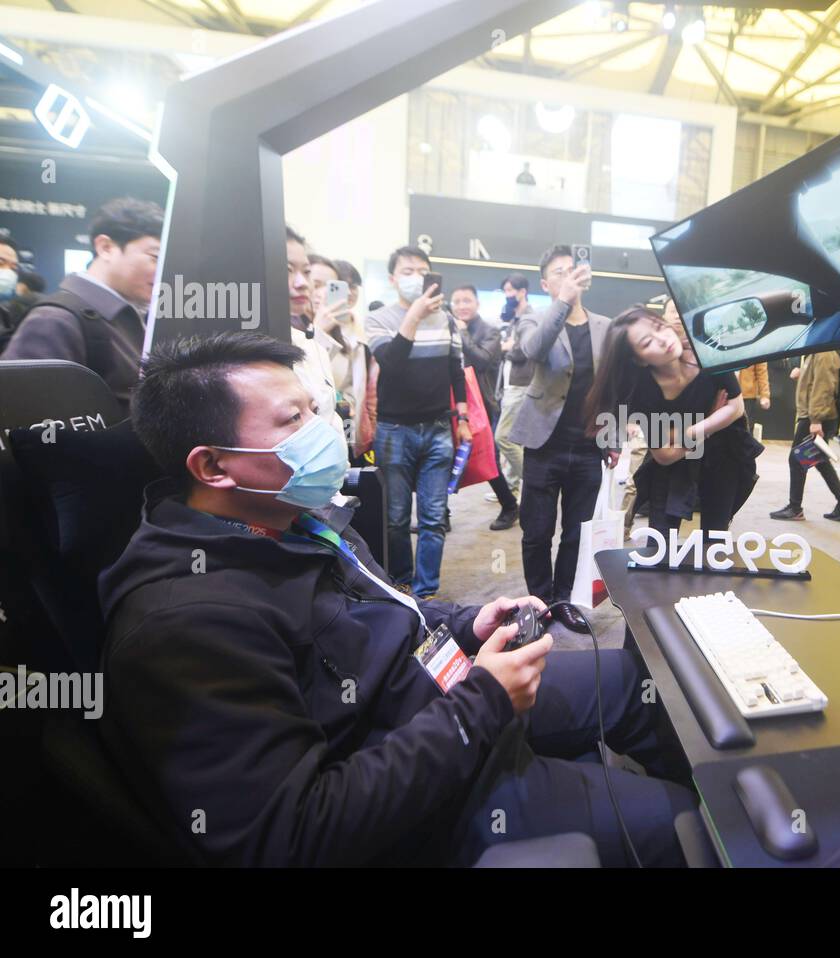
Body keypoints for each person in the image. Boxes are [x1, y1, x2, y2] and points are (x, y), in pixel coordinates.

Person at [102, 331, 695, 867]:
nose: (323, 426)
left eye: (316, 408)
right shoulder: (189, 625)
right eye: (292, 420)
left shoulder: (293, 520)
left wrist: (465, 623)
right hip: (432, 792)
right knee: (689, 826)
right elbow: (289, 837)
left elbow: (383, 608)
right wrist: (483, 704)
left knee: (632, 679)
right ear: (212, 465)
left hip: (445, 696)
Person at [586, 306, 761, 538]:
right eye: (647, 342)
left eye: (659, 327)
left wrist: (680, 432)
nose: (663, 339)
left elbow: (736, 408)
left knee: (716, 538)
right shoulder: (642, 390)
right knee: (660, 540)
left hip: (724, 452)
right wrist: (710, 420)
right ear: (638, 360)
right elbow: (664, 456)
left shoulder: (708, 349)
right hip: (674, 466)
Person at [508, 245, 611, 631]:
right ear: (546, 283)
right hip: (543, 444)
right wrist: (564, 303)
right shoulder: (533, 320)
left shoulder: (605, 326)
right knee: (536, 531)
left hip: (588, 448)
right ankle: (539, 601)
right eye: (559, 272)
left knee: (576, 533)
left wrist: (612, 438)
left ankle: (564, 600)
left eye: (573, 269)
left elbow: (611, 386)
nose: (569, 276)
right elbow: (533, 351)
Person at [366, 245, 472, 598]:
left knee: (433, 517)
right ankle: (401, 583)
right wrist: (413, 315)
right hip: (394, 430)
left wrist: (463, 417)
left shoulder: (448, 320)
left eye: (422, 271)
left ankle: (426, 591)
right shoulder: (379, 318)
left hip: (439, 428)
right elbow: (391, 362)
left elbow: (456, 371)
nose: (415, 277)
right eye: (407, 271)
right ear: (393, 278)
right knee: (396, 518)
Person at [2, 198, 162, 415]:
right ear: (106, 247)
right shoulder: (55, 319)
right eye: (154, 257)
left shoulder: (126, 317)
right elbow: (23, 424)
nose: (162, 269)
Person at [449, 284, 519, 530]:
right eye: (456, 301)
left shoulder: (489, 331)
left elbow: (482, 360)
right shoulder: (446, 328)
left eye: (467, 300)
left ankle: (509, 505)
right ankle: (441, 515)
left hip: (481, 404)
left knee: (486, 459)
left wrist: (462, 334)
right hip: (451, 402)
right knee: (444, 456)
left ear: (477, 303)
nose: (461, 306)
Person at [770, 349, 840, 523]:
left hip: (816, 417)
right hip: (814, 415)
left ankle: (795, 508)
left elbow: (824, 388)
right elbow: (816, 381)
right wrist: (803, 376)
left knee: (797, 459)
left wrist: (815, 420)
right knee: (819, 460)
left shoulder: (825, 354)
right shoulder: (817, 353)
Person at [307, 254, 377, 459]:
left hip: (350, 415)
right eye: (343, 286)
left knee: (347, 462)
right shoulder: (309, 328)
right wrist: (318, 330)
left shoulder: (361, 329)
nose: (350, 292)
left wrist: (370, 421)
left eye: (354, 286)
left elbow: (368, 383)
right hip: (320, 417)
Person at [284, 231, 348, 443]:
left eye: (306, 272)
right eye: (287, 270)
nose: (303, 283)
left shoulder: (344, 332)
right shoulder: (296, 333)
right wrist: (317, 333)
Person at [494, 273, 533, 503]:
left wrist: (507, 346)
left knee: (504, 437)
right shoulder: (514, 318)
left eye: (511, 290)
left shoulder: (530, 316)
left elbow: (523, 350)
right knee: (514, 438)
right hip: (510, 383)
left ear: (522, 291)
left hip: (522, 384)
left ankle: (530, 480)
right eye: (506, 291)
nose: (508, 295)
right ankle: (512, 488)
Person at [738, 361, 770, 434]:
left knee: (746, 428)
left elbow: (762, 372)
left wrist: (765, 395)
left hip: (747, 395)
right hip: (725, 393)